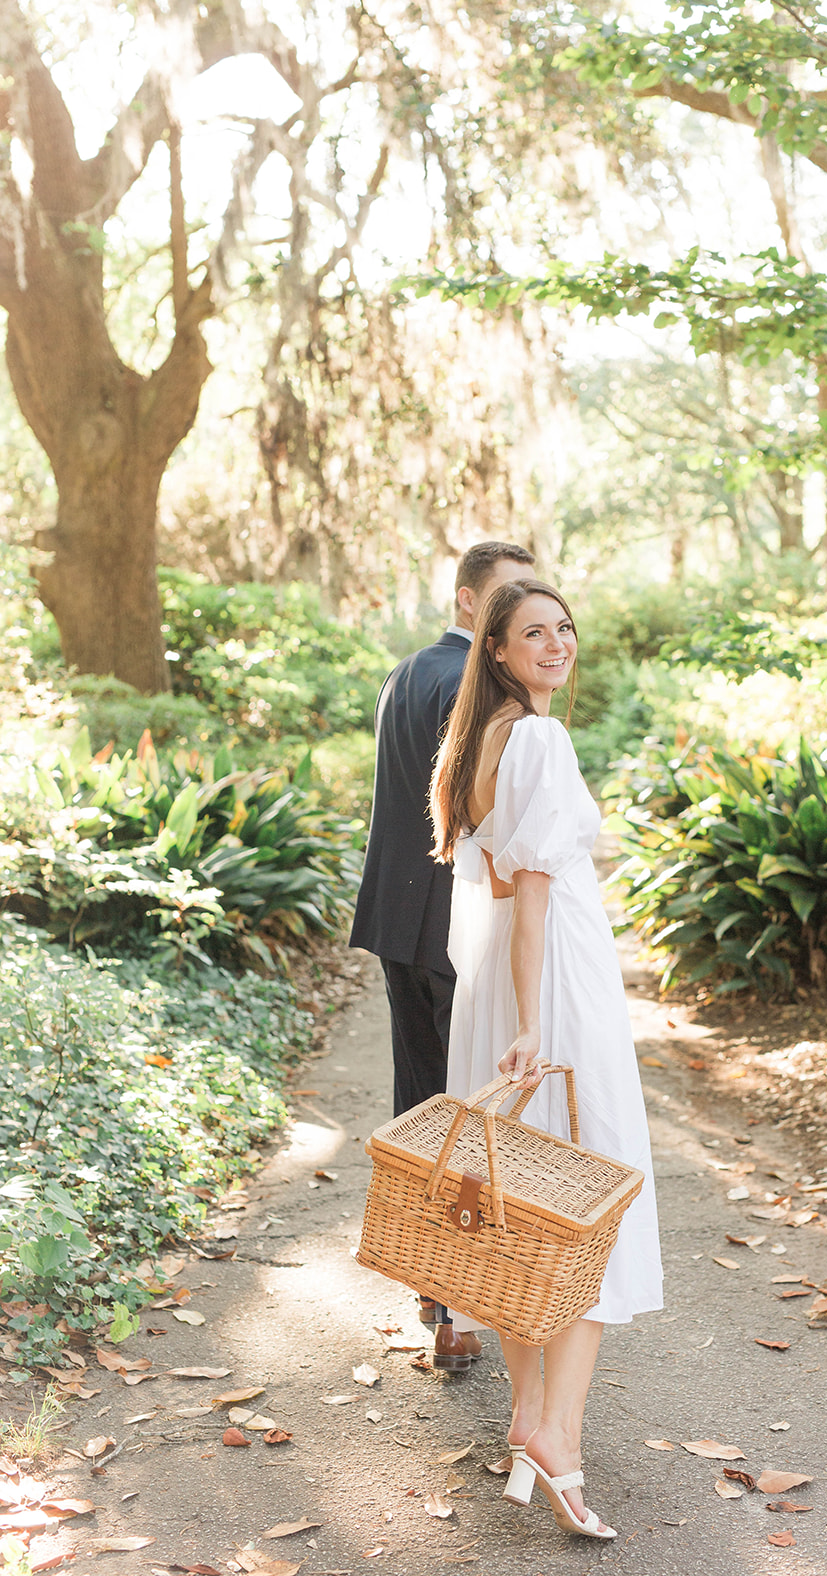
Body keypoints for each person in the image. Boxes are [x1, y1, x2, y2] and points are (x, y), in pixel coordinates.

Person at [430, 577, 662, 1540]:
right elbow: (528, 891)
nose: (556, 643)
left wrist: (500, 1009)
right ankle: (556, 1437)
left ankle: (531, 1416)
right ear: (495, 649)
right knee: (588, 1200)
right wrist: (533, 1021)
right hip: (553, 982)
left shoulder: (480, 742)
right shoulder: (536, 738)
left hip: (503, 979)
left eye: (564, 627)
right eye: (534, 632)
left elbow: (487, 894)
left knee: (521, 1210)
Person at [350, 540, 534, 1370]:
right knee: (475, 1113)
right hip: (460, 925)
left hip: (397, 917)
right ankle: (457, 1302)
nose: (521, 614)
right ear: (468, 603)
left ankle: (434, 1290)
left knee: (423, 1098)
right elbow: (488, 818)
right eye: (506, 597)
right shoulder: (479, 684)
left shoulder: (402, 674)